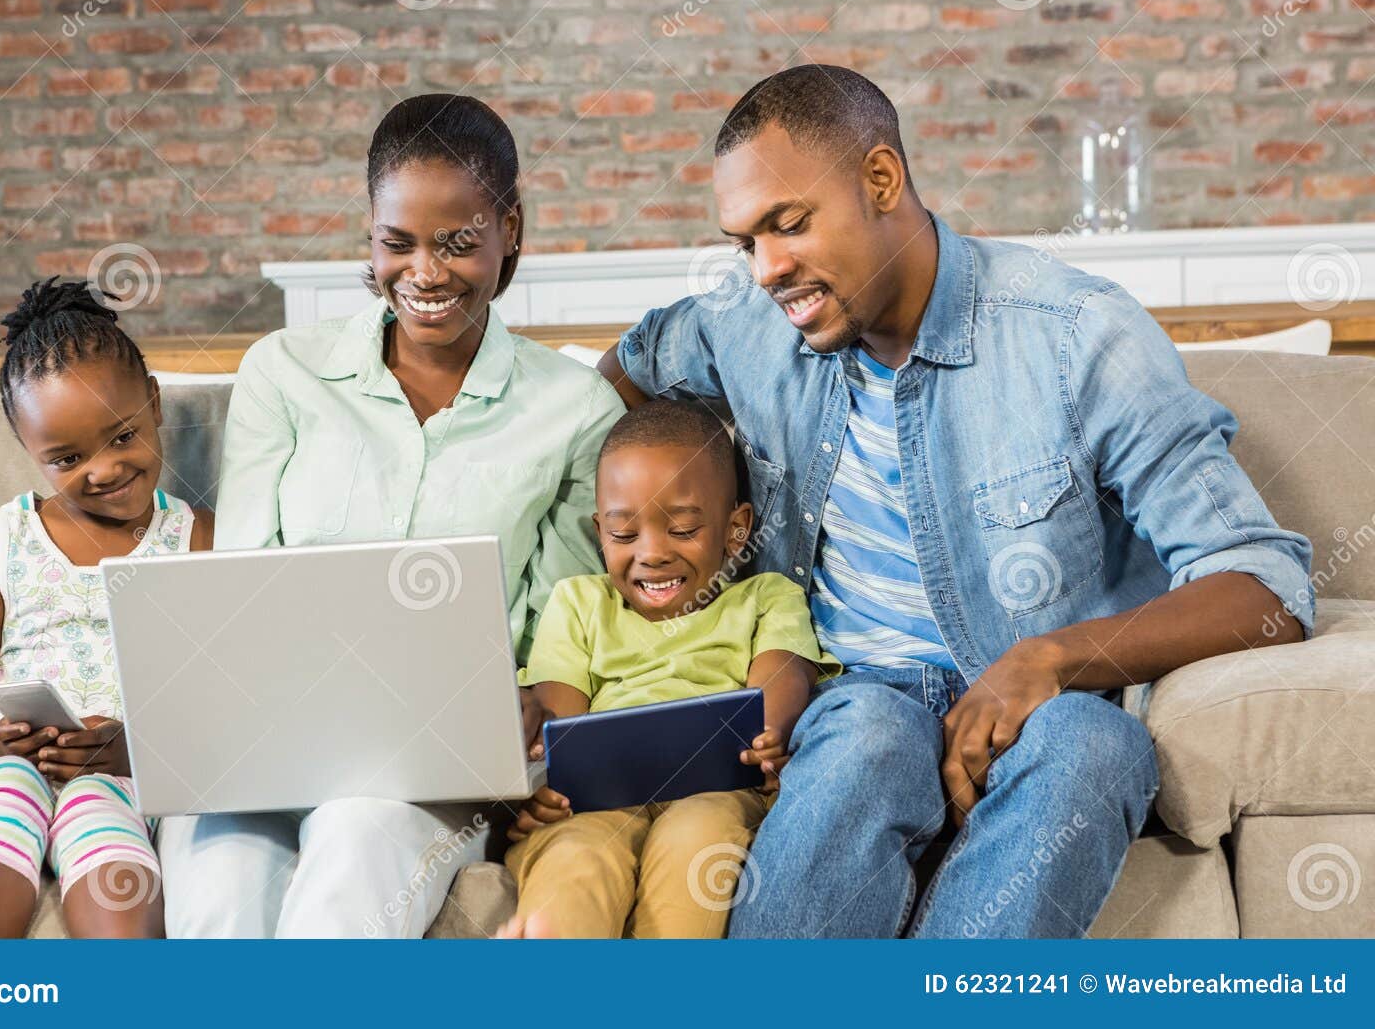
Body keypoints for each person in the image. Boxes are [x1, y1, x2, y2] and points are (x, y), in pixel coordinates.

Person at [598, 64, 1314, 938]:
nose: (765, 269)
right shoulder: (745, 328)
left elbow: (1266, 584)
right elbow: (617, 383)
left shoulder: (1076, 335)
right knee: (863, 739)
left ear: (881, 180)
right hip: (856, 693)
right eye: (745, 240)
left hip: (1053, 705)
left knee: (1098, 746)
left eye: (788, 225)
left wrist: (1048, 658)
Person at [157, 93, 625, 939]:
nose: (426, 273)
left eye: (458, 243)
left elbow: (564, 631)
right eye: (397, 242)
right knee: (220, 885)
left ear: (509, 229)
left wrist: (528, 709)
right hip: (267, 745)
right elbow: (239, 595)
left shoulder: (575, 408)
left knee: (357, 836)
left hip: (432, 771)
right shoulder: (284, 372)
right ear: (369, 236)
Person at [0, 277, 215, 938]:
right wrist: (11, 742)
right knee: (5, 792)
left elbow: (223, 713)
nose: (103, 470)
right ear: (31, 452)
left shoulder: (199, 538)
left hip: (127, 773)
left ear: (154, 403)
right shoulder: (0, 538)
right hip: (10, 765)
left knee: (97, 808)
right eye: (67, 458)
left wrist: (128, 748)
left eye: (123, 436)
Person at [505, 399, 838, 938]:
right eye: (624, 535)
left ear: (736, 530)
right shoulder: (579, 603)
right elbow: (558, 719)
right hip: (597, 800)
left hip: (716, 790)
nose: (652, 553)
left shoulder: (765, 597)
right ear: (599, 534)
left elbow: (782, 676)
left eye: (682, 530)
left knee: (697, 844)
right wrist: (547, 783)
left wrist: (770, 734)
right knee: (578, 857)